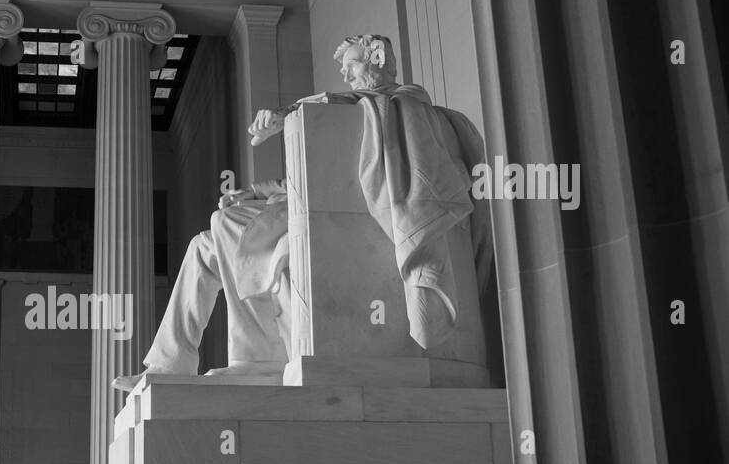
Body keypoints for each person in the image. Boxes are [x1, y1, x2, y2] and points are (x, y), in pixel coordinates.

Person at [114, 34, 487, 390]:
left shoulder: (404, 106)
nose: (347, 74)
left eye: (353, 65)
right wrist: (258, 191)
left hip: (343, 221)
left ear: (378, 59)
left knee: (224, 226)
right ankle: (168, 365)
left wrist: (287, 112)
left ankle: (256, 362)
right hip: (311, 208)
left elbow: (354, 117)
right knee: (203, 246)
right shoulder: (369, 113)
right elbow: (324, 177)